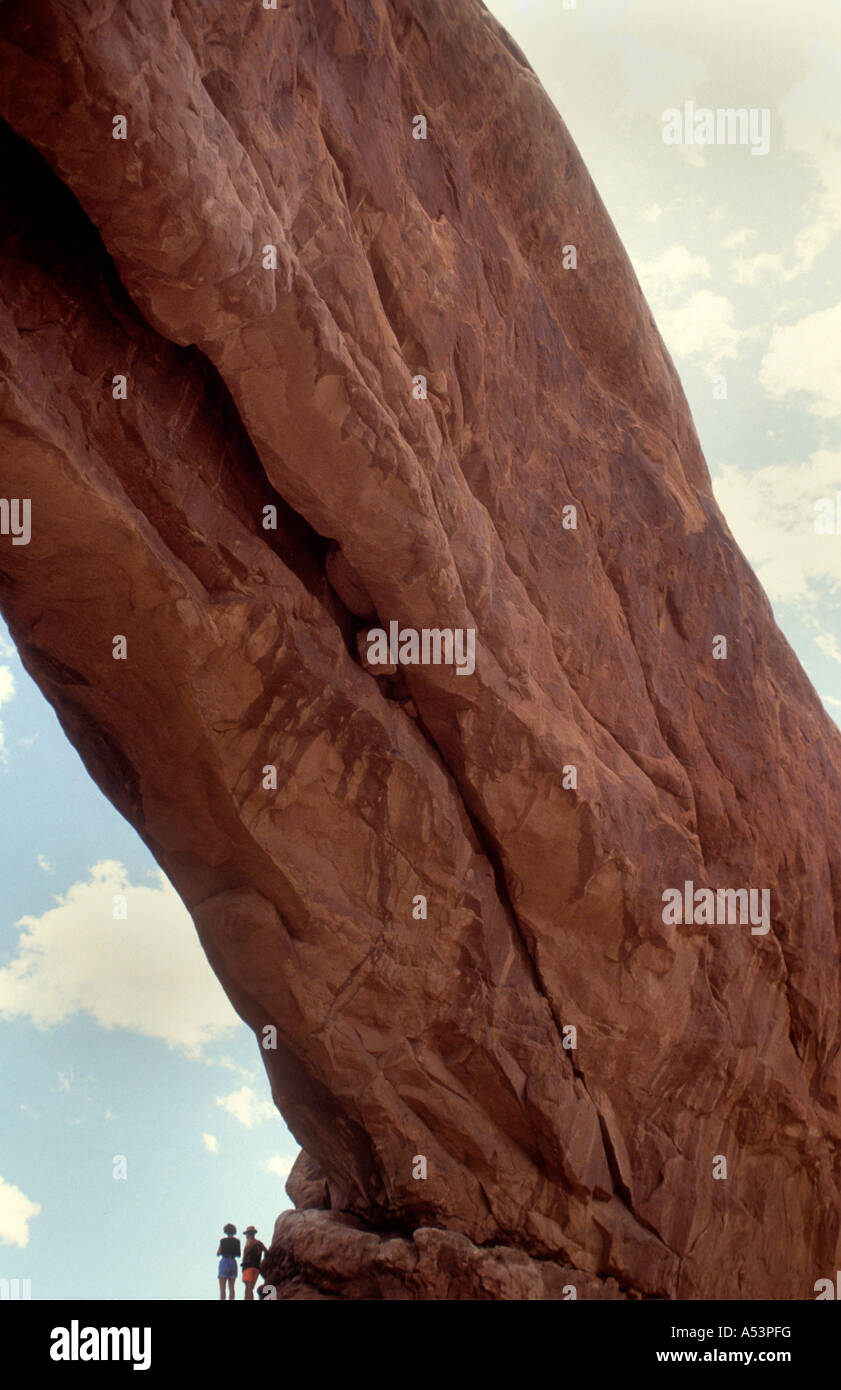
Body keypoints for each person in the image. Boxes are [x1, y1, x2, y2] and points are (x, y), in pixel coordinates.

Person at [241, 1225, 268, 1300]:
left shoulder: (249, 1243)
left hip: (248, 1267)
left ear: (249, 1234)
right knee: (250, 1287)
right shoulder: (259, 1243)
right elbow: (267, 1252)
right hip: (257, 1268)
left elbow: (245, 1254)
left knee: (248, 1287)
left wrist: (243, 1263)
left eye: (247, 1234)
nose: (246, 1236)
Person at [217, 1222, 240, 1301]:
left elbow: (218, 1253)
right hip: (233, 1262)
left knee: (222, 1287)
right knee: (232, 1287)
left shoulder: (223, 1241)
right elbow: (238, 1254)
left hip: (225, 1261)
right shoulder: (237, 1241)